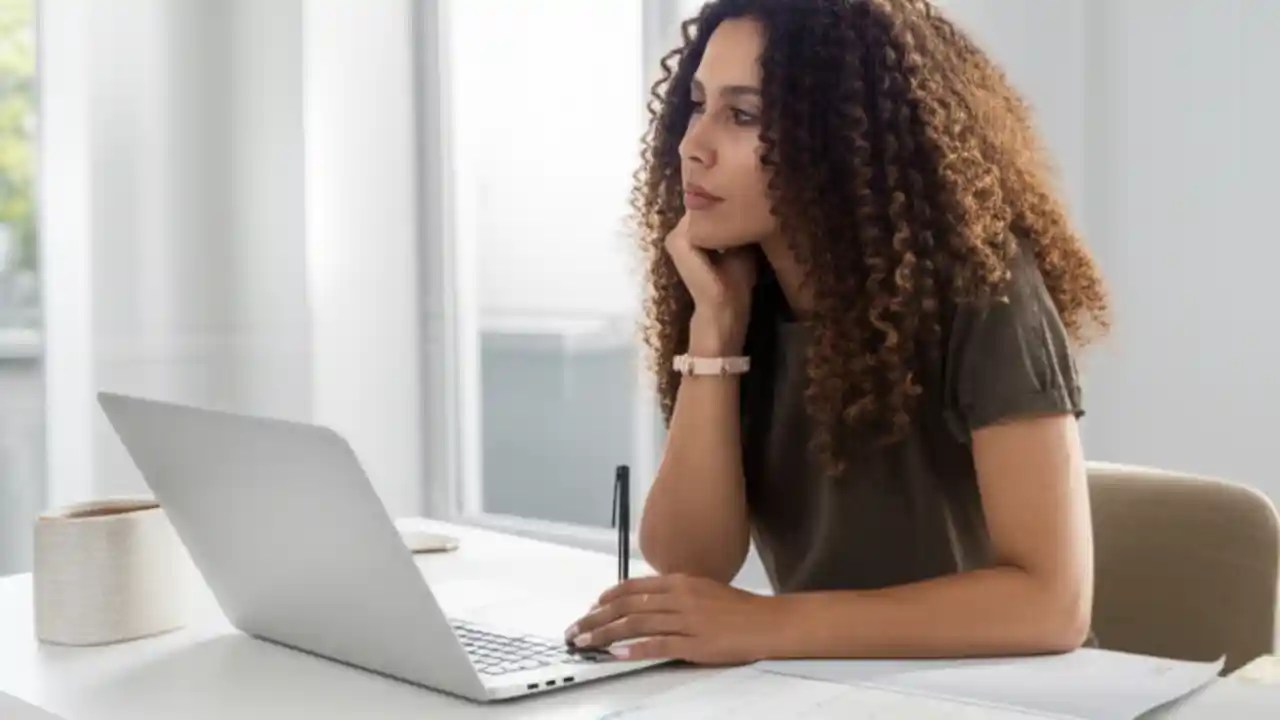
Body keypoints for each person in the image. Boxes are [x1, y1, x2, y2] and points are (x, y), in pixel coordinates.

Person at [565, 0, 1110, 664]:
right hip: (829, 688)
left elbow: (1051, 606)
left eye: (741, 116)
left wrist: (766, 625)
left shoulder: (983, 290)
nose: (691, 146)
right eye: (696, 105)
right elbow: (691, 561)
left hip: (987, 692)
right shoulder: (743, 297)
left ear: (839, 140)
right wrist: (715, 337)